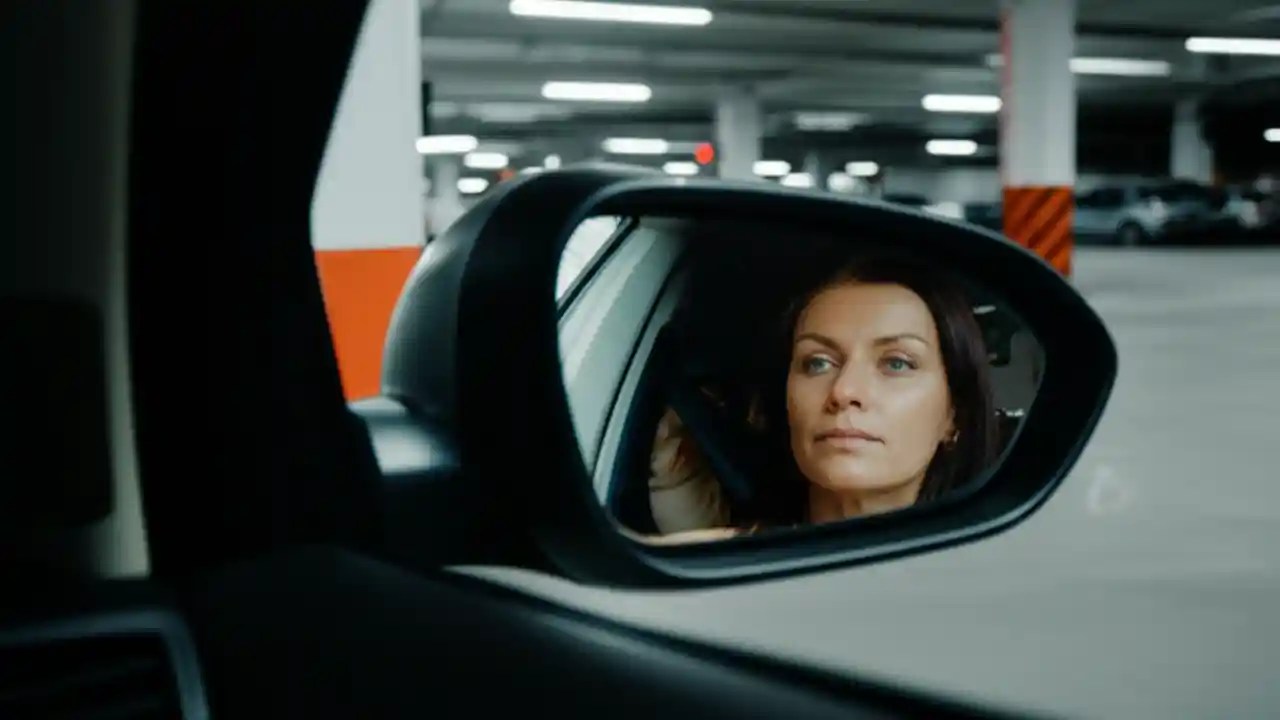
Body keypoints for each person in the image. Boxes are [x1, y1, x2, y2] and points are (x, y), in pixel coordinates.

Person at [639, 254, 1000, 541]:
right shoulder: (715, 555)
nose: (844, 391)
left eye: (896, 363)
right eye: (817, 363)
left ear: (955, 416)